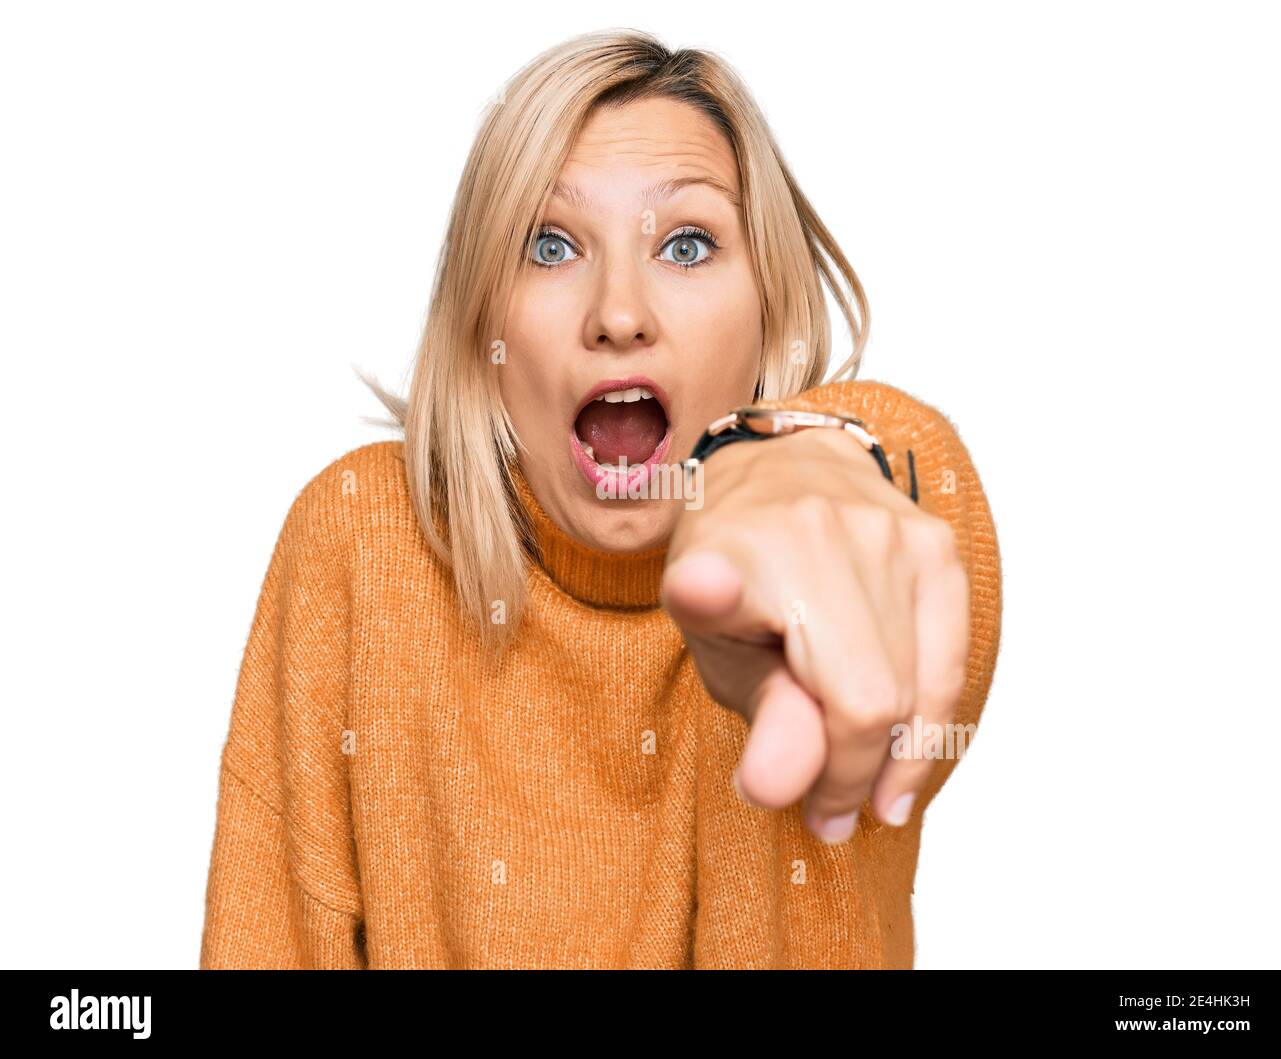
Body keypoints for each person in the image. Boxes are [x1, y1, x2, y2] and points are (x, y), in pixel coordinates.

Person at [199, 28, 1002, 970]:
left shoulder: (838, 551)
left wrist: (812, 461)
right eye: (549, 244)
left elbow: (913, 487)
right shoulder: (359, 543)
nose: (619, 312)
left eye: (688, 244)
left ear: (768, 315)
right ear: (480, 324)